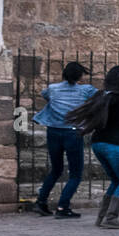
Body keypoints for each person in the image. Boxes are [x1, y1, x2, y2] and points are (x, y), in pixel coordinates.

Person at [67, 65, 119, 229]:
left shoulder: (102, 96)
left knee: (116, 180)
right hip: (113, 146)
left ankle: (102, 217)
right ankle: (111, 217)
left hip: (98, 144)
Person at [33, 61, 96, 218]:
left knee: (56, 169)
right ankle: (63, 207)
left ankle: (41, 202)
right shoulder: (85, 91)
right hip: (72, 134)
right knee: (75, 173)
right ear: (80, 76)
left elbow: (44, 94)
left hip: (53, 132)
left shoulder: (53, 89)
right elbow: (99, 96)